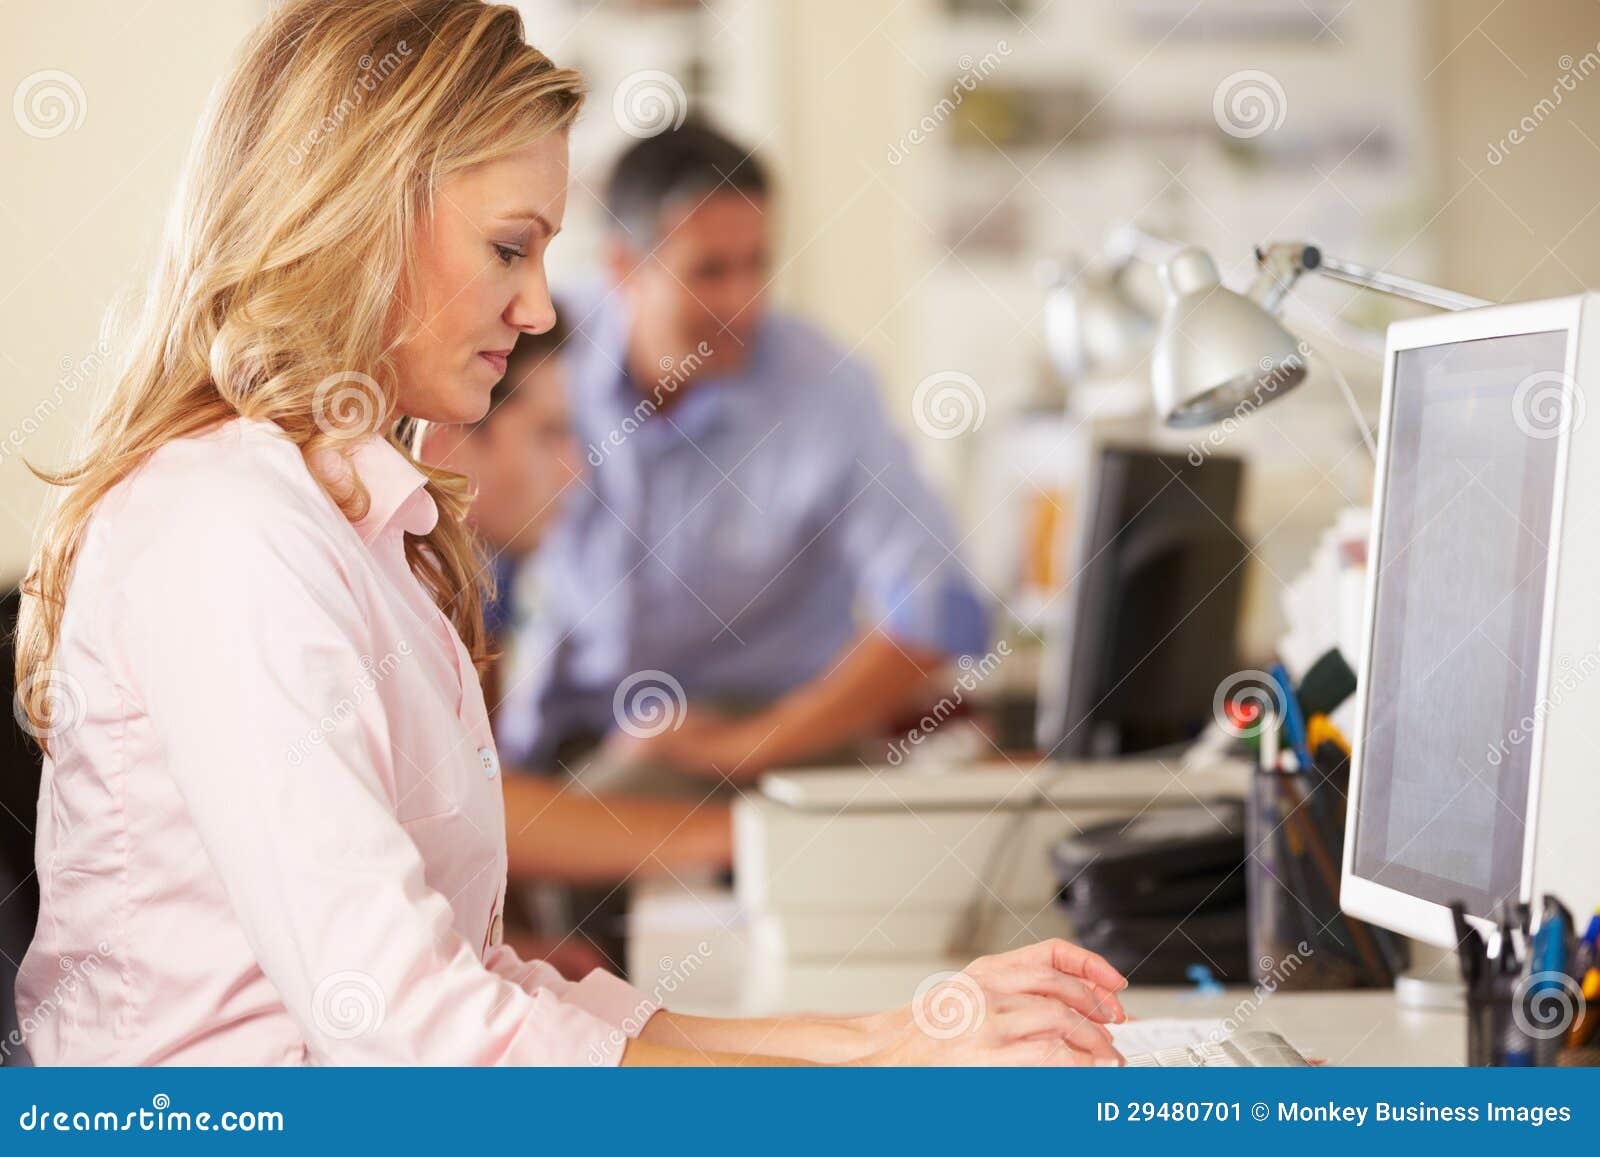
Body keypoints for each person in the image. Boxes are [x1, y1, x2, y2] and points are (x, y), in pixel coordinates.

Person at [11, 0, 1125, 1065]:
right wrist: (876, 1073)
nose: (542, 309)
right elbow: (419, 1034)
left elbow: (483, 985)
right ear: (358, 220)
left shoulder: (353, 523)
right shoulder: (228, 532)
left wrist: (892, 1033)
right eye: (507, 248)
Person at [497, 122, 991, 786]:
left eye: (758, 264)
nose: (743, 302)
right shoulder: (544, 351)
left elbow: (942, 609)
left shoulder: (825, 390)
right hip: (562, 732)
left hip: (759, 732)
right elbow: (470, 531)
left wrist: (745, 747)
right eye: (710, 271)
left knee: (623, 796)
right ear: (623, 268)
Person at [416, 321, 732, 888]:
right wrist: (737, 834)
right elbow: (462, 806)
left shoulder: (493, 577)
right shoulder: (407, 591)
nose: (575, 470)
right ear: (448, 440)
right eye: (548, 434)